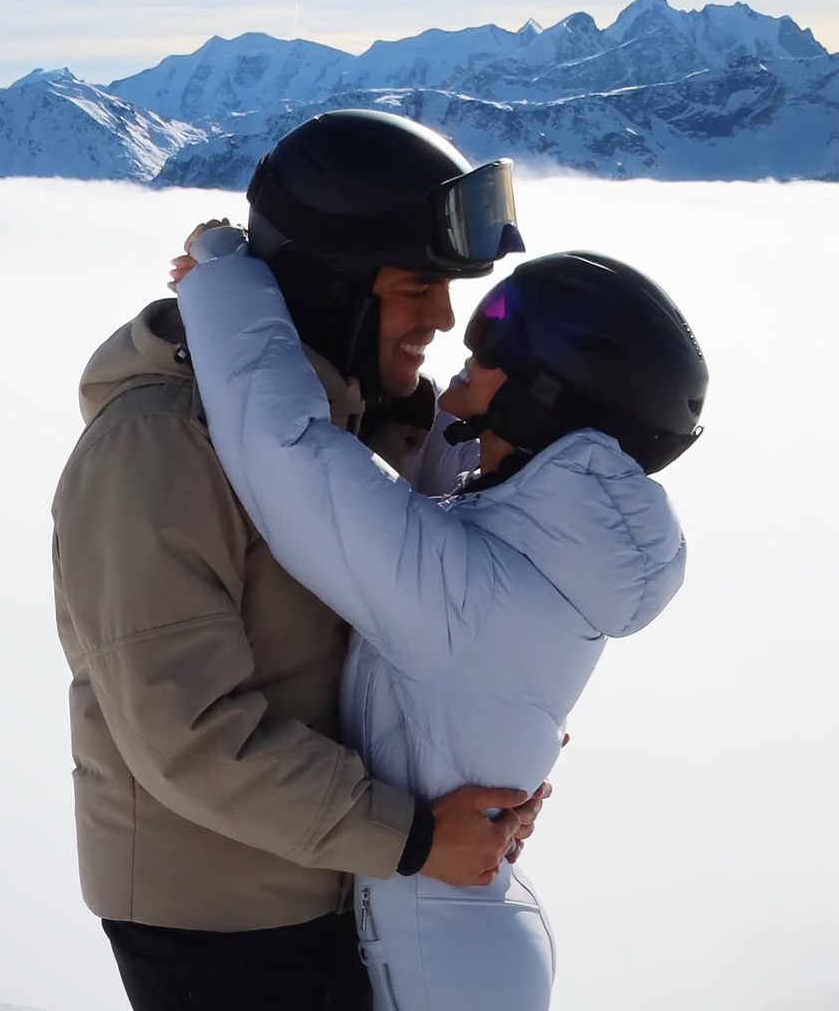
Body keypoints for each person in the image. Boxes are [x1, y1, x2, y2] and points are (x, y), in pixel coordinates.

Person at [51, 109, 544, 1011]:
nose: (441, 317)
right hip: (219, 920)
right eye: (414, 287)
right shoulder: (158, 447)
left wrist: (480, 784)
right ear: (332, 290)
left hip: (330, 875)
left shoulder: (348, 436)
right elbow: (188, 733)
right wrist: (411, 835)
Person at [174, 241, 709, 1011]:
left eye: (497, 337)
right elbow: (427, 494)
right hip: (463, 943)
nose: (465, 334)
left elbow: (285, 454)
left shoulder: (472, 592)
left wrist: (227, 279)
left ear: (550, 396)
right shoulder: (537, 548)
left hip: (442, 978)